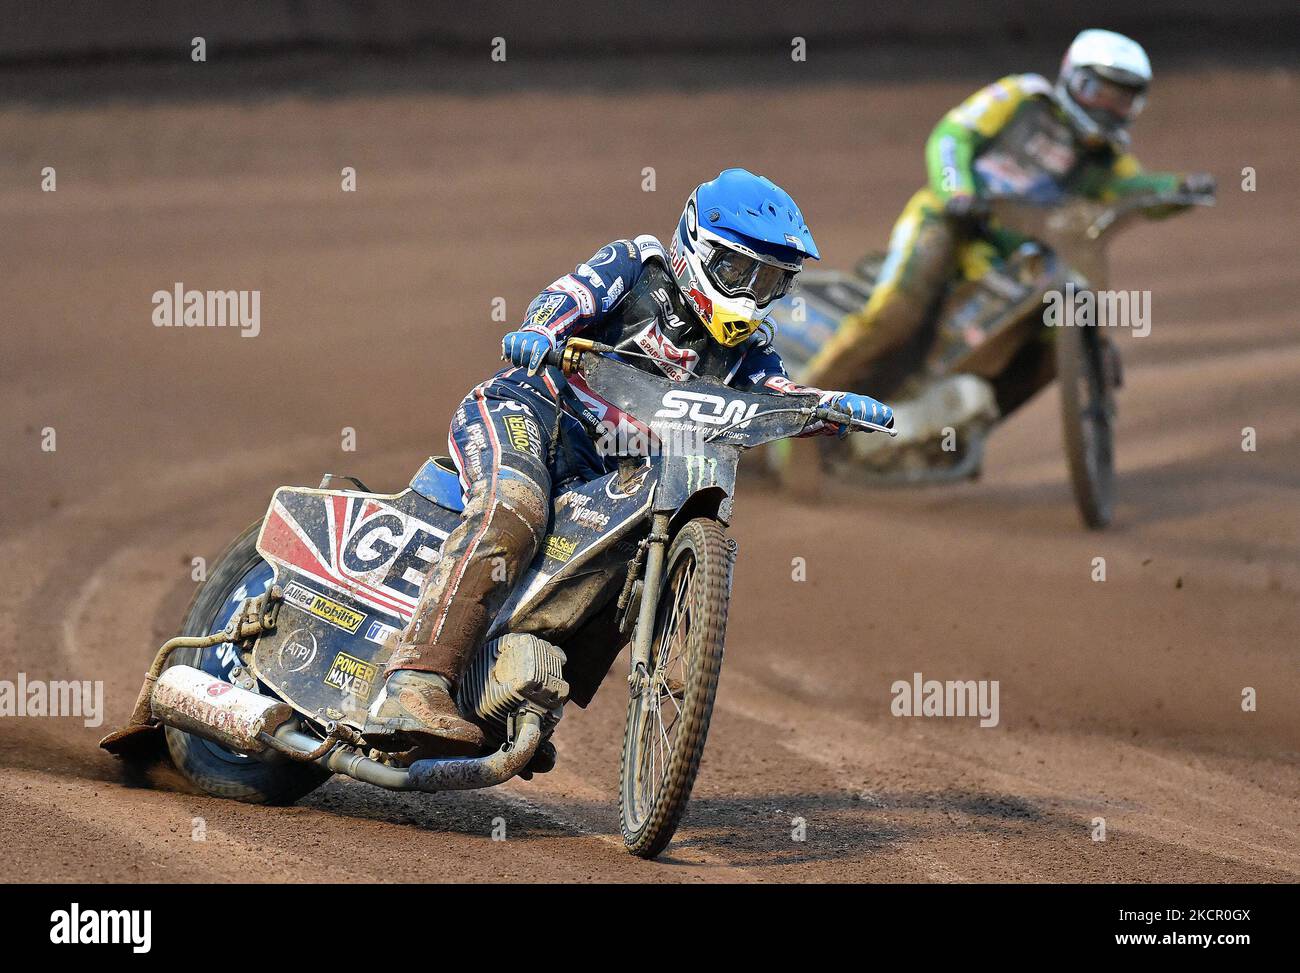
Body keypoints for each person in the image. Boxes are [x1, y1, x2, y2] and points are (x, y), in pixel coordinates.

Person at [364, 168, 892, 754]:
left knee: (626, 562)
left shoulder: (750, 349)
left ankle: (508, 696)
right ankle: (413, 681)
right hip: (533, 411)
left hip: (610, 468)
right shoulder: (638, 267)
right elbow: (566, 298)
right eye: (741, 271)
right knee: (513, 508)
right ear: (697, 248)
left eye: (770, 281)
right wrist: (540, 332)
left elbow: (773, 398)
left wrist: (831, 405)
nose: (750, 294)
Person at [801, 28, 1214, 393]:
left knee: (1053, 340)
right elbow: (954, 134)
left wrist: (1178, 188)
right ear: (1072, 78)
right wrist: (957, 191)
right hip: (952, 222)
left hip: (1017, 258)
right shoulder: (1022, 96)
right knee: (895, 315)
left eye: (1120, 100)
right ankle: (797, 409)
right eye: (1098, 92)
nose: (1106, 107)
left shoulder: (1106, 159)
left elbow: (1134, 191)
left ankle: (955, 414)